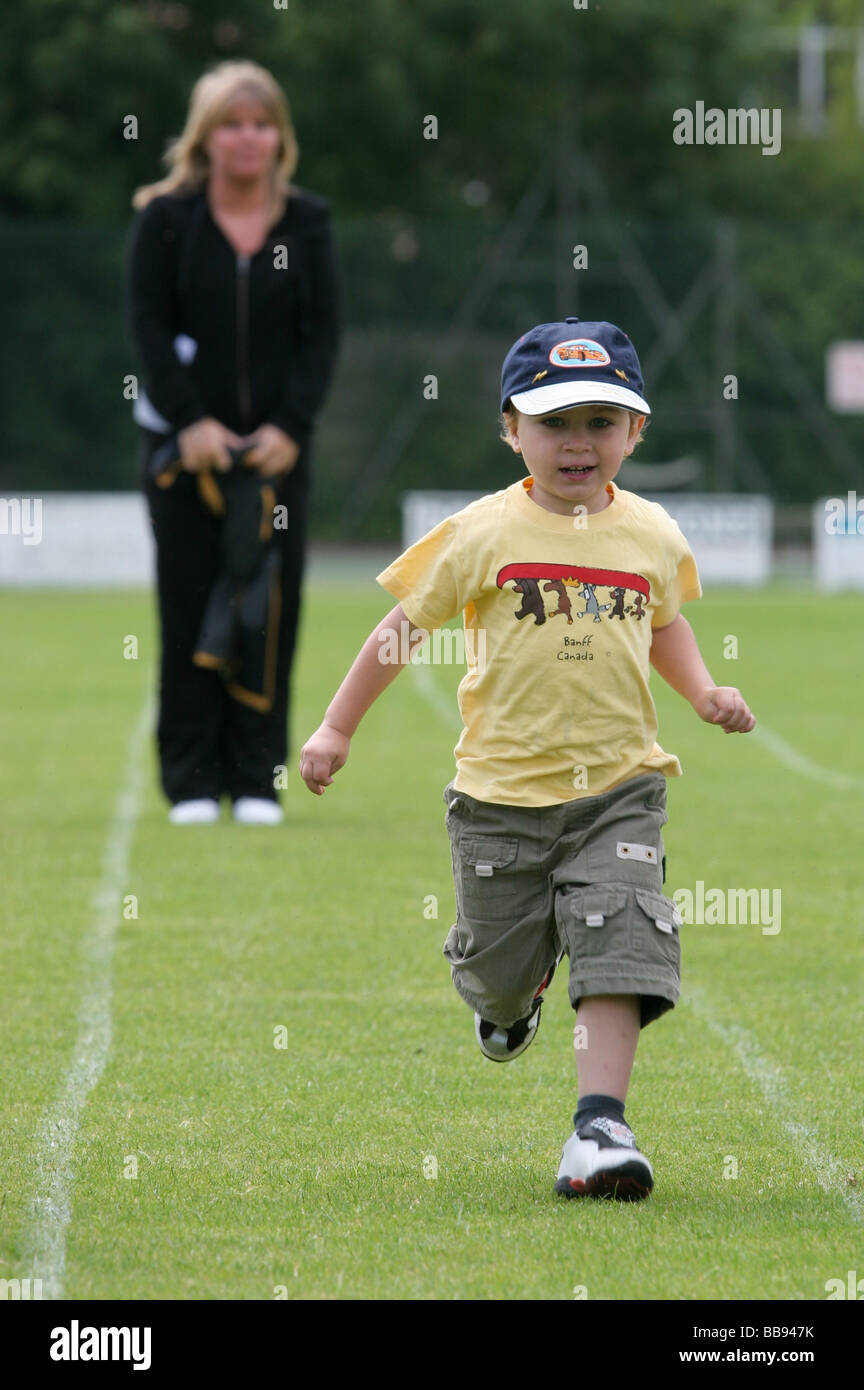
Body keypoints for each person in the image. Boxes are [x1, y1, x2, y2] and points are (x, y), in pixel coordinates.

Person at [298, 317, 755, 1200]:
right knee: (495, 979)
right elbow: (402, 631)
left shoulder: (654, 534)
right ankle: (513, 999)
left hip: (621, 788)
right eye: (553, 422)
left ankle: (599, 1128)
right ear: (512, 430)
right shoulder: (480, 533)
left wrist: (702, 693)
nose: (577, 443)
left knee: (624, 934)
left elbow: (664, 622)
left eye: (599, 421)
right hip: (499, 801)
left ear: (636, 432)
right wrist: (335, 728)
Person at [126, 60, 340, 825]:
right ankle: (189, 781)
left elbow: (322, 338)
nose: (247, 137)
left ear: (279, 135)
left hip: (280, 456)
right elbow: (147, 328)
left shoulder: (306, 222)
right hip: (186, 454)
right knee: (186, 604)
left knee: (268, 609)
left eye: (260, 122)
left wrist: (291, 427)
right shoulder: (165, 220)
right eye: (231, 122)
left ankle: (257, 777)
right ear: (205, 135)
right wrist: (190, 422)